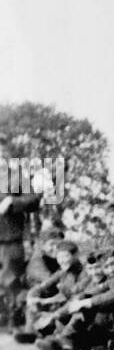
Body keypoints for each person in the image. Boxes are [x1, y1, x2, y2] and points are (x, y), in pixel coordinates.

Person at [37, 248, 114, 350]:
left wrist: (88, 302)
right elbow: (87, 294)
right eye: (106, 267)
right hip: (113, 320)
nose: (111, 270)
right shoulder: (112, 279)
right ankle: (65, 339)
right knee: (82, 303)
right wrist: (56, 314)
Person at [0, 137, 42, 329]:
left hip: (10, 240)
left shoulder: (17, 177)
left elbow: (34, 201)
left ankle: (14, 320)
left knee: (12, 281)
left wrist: (13, 202)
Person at [17, 239, 84, 344]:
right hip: (60, 305)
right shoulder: (62, 271)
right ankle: (31, 332)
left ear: (75, 256)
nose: (62, 260)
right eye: (59, 257)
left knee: (60, 315)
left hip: (73, 306)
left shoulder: (80, 272)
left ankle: (59, 338)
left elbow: (68, 295)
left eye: (66, 256)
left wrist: (45, 301)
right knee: (34, 299)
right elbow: (45, 284)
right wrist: (32, 295)